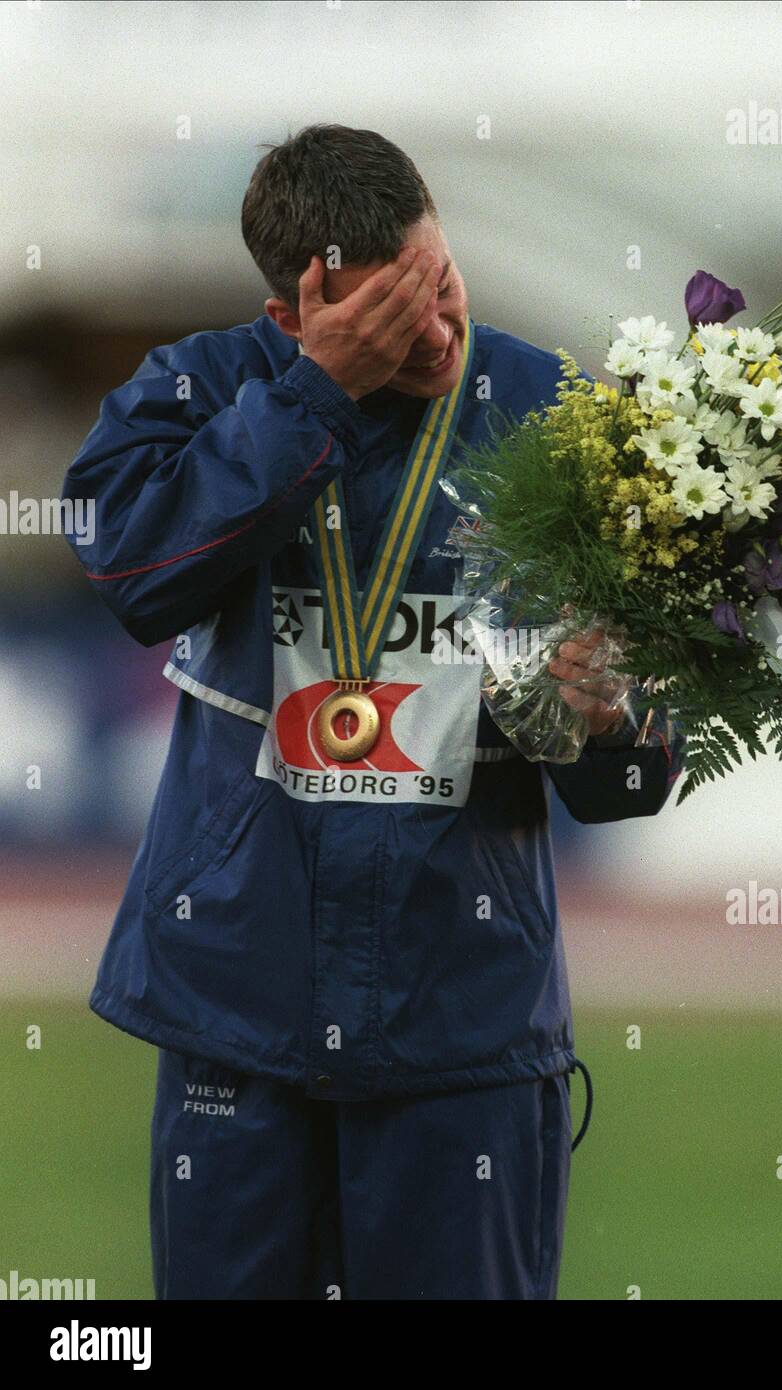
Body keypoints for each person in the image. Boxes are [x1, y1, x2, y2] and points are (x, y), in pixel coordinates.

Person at [62, 124, 683, 1300]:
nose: (437, 332)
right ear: (297, 313)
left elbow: (639, 775)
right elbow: (135, 574)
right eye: (391, 325)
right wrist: (311, 402)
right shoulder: (202, 391)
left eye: (441, 285)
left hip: (463, 1019)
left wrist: (610, 723)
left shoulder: (555, 413)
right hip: (236, 1011)